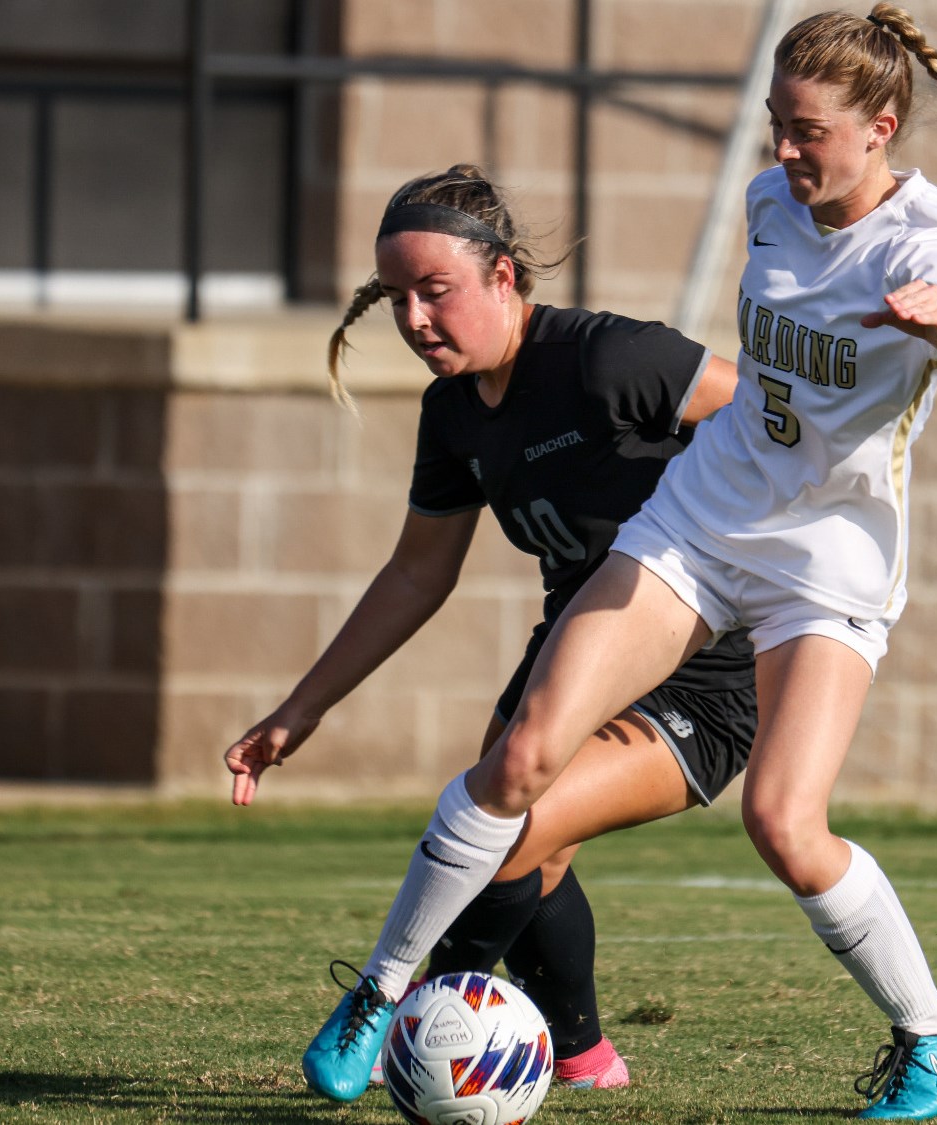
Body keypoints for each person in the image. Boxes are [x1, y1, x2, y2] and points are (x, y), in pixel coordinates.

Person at [295, 6, 937, 1120]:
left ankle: (933, 1037)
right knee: (521, 757)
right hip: (696, 522)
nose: (782, 154)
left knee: (785, 825)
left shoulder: (923, 242)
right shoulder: (768, 202)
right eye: (775, 126)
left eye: (807, 133)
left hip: (827, 559)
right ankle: (375, 995)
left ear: (879, 128)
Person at [222, 165, 757, 1101]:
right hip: (571, 652)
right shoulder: (454, 414)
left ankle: (399, 1006)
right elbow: (416, 574)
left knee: (507, 831)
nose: (416, 319)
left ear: (504, 277)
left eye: (437, 292)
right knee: (517, 844)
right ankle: (586, 1055)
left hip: (705, 673)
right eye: (398, 298)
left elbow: (770, 423)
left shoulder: (607, 360)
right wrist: (298, 711)